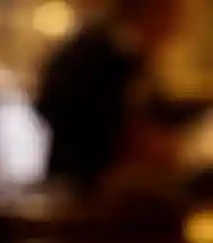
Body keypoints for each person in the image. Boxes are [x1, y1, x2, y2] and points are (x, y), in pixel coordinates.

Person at [35, 0, 183, 204]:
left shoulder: (129, 55)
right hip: (84, 190)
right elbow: (58, 108)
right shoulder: (99, 51)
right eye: (172, 14)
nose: (179, 26)